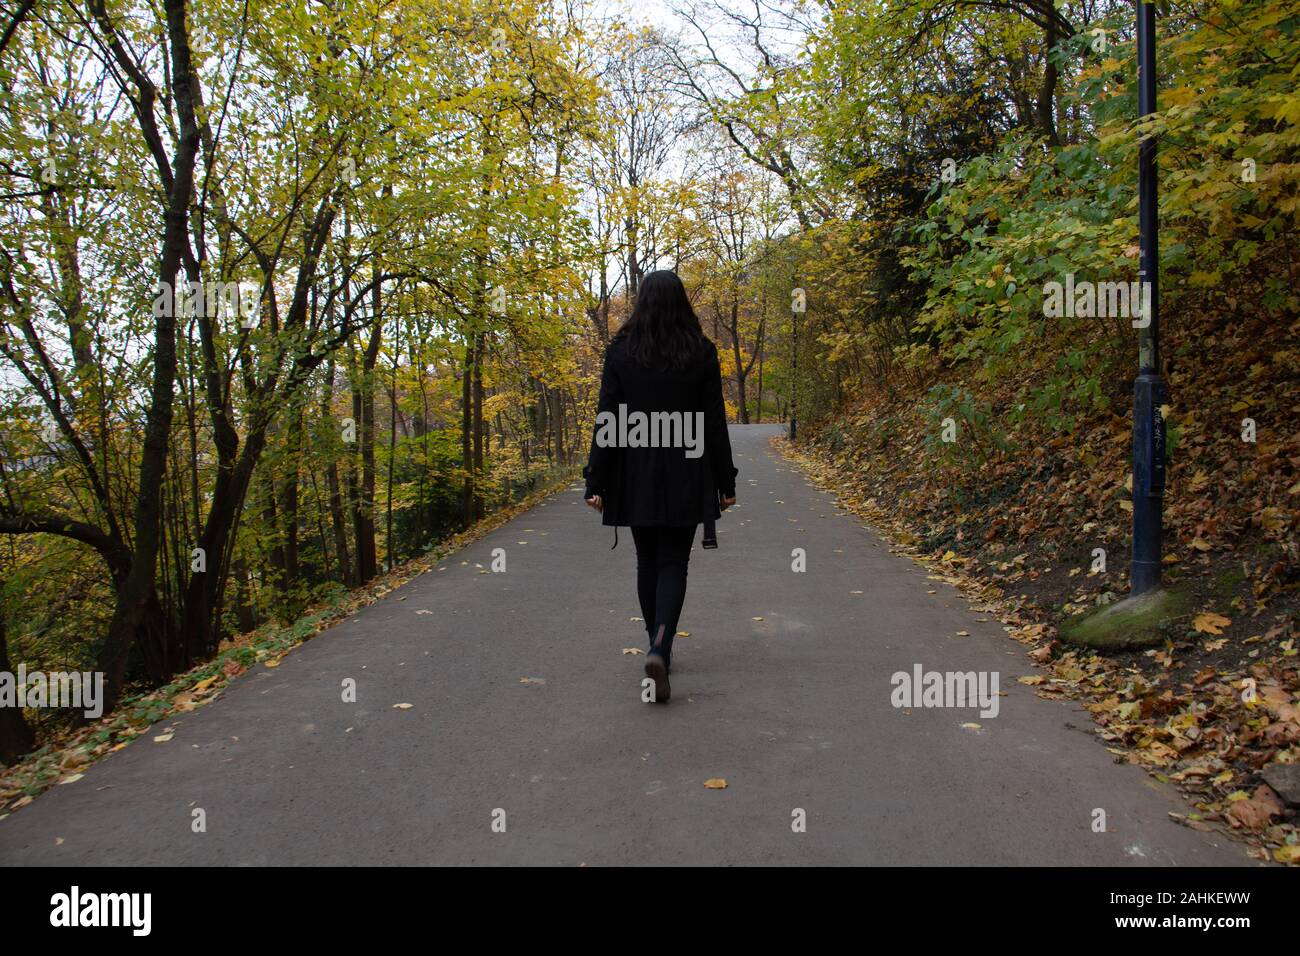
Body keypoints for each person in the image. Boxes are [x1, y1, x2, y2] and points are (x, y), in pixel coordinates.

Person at [582, 270, 738, 703]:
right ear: (682, 303)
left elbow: (607, 419)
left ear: (642, 303)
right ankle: (659, 648)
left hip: (636, 471)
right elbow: (713, 423)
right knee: (674, 562)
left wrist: (596, 480)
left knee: (646, 560)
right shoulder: (701, 353)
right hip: (687, 470)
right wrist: (725, 480)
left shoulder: (621, 353)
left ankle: (657, 646)